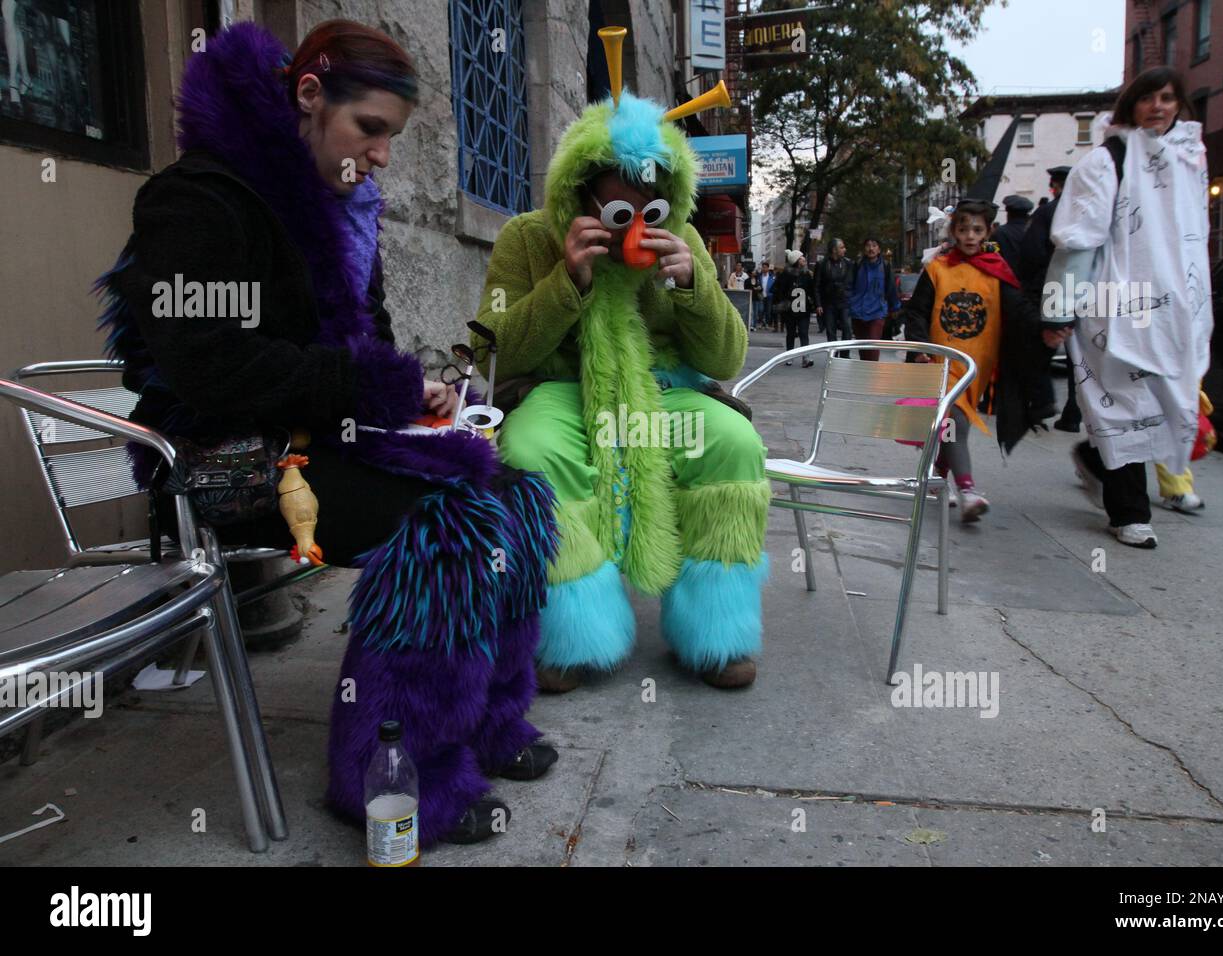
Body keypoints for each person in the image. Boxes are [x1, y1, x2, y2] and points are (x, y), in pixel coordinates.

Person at [94, 21, 559, 847]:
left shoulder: (343, 206)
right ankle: (388, 771)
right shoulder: (196, 199)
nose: (381, 155)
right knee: (449, 522)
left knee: (515, 491)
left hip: (318, 438)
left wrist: (414, 398)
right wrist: (376, 385)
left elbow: (362, 348)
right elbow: (209, 367)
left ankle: (485, 717)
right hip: (221, 458)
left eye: (392, 136)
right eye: (369, 129)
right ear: (309, 97)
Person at [473, 30, 770, 692]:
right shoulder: (527, 239)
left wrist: (694, 286)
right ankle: (569, 635)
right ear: (580, 193)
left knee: (730, 442)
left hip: (664, 393)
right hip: (564, 389)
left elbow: (724, 354)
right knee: (531, 446)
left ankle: (716, 633)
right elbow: (491, 348)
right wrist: (566, 286)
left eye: (650, 207)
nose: (634, 222)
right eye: (617, 207)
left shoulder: (682, 239)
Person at [1049, 67, 1212, 549]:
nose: (1158, 107)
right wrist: (1058, 312)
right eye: (1147, 98)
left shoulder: (1190, 157)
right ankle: (1129, 514)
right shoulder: (1106, 161)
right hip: (1114, 306)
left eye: (1168, 97)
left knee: (1163, 406)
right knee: (1125, 406)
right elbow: (1077, 243)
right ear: (1130, 105)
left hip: (1176, 310)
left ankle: (1098, 459)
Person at [903, 198, 1067, 522]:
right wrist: (920, 346)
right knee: (955, 421)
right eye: (963, 229)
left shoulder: (997, 270)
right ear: (954, 231)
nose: (969, 235)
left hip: (978, 367)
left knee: (951, 426)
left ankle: (936, 476)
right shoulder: (936, 270)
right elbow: (918, 312)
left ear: (987, 231)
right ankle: (967, 490)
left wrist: (1046, 328)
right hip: (942, 364)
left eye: (976, 229)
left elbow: (1018, 311)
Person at [1020, 165, 1080, 431]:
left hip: (1054, 289)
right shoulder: (1090, 212)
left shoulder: (1046, 214)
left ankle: (1041, 403)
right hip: (1089, 291)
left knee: (1041, 349)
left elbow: (1031, 256)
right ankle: (1074, 412)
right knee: (1080, 358)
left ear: (1053, 187)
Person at [848, 237, 901, 361]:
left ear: (879, 250)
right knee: (863, 348)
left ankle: (872, 374)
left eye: (874, 245)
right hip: (858, 312)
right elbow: (849, 286)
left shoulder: (885, 267)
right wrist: (850, 304)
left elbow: (891, 288)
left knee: (873, 346)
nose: (871, 248)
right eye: (868, 245)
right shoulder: (857, 265)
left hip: (877, 311)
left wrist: (895, 307)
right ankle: (864, 374)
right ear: (864, 249)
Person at [774, 249, 816, 366]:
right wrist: (781, 304)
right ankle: (789, 356)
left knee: (804, 333)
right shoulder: (786, 275)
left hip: (803, 309)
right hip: (790, 310)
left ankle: (806, 358)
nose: (804, 259)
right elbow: (779, 290)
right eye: (802, 258)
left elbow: (812, 291)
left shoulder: (807, 274)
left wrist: (816, 305)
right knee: (791, 333)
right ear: (797, 261)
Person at [815, 238, 854, 342]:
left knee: (847, 328)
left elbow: (851, 282)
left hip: (844, 302)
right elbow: (817, 286)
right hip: (829, 303)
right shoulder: (822, 264)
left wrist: (848, 295)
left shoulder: (848, 263)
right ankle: (833, 355)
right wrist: (818, 304)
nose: (844, 250)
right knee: (830, 331)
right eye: (841, 247)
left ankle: (845, 355)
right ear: (834, 250)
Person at [990, 194, 1035, 276]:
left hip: (1006, 279)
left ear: (1008, 213)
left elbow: (989, 256)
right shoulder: (1034, 231)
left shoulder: (999, 232)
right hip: (1030, 280)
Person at [757, 260, 776, 329]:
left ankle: (767, 323)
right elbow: (757, 284)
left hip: (769, 295)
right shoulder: (759, 276)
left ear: (768, 268)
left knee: (768, 310)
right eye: (763, 267)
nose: (764, 269)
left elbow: (774, 285)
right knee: (761, 310)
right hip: (761, 295)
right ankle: (761, 323)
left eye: (765, 267)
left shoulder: (772, 276)